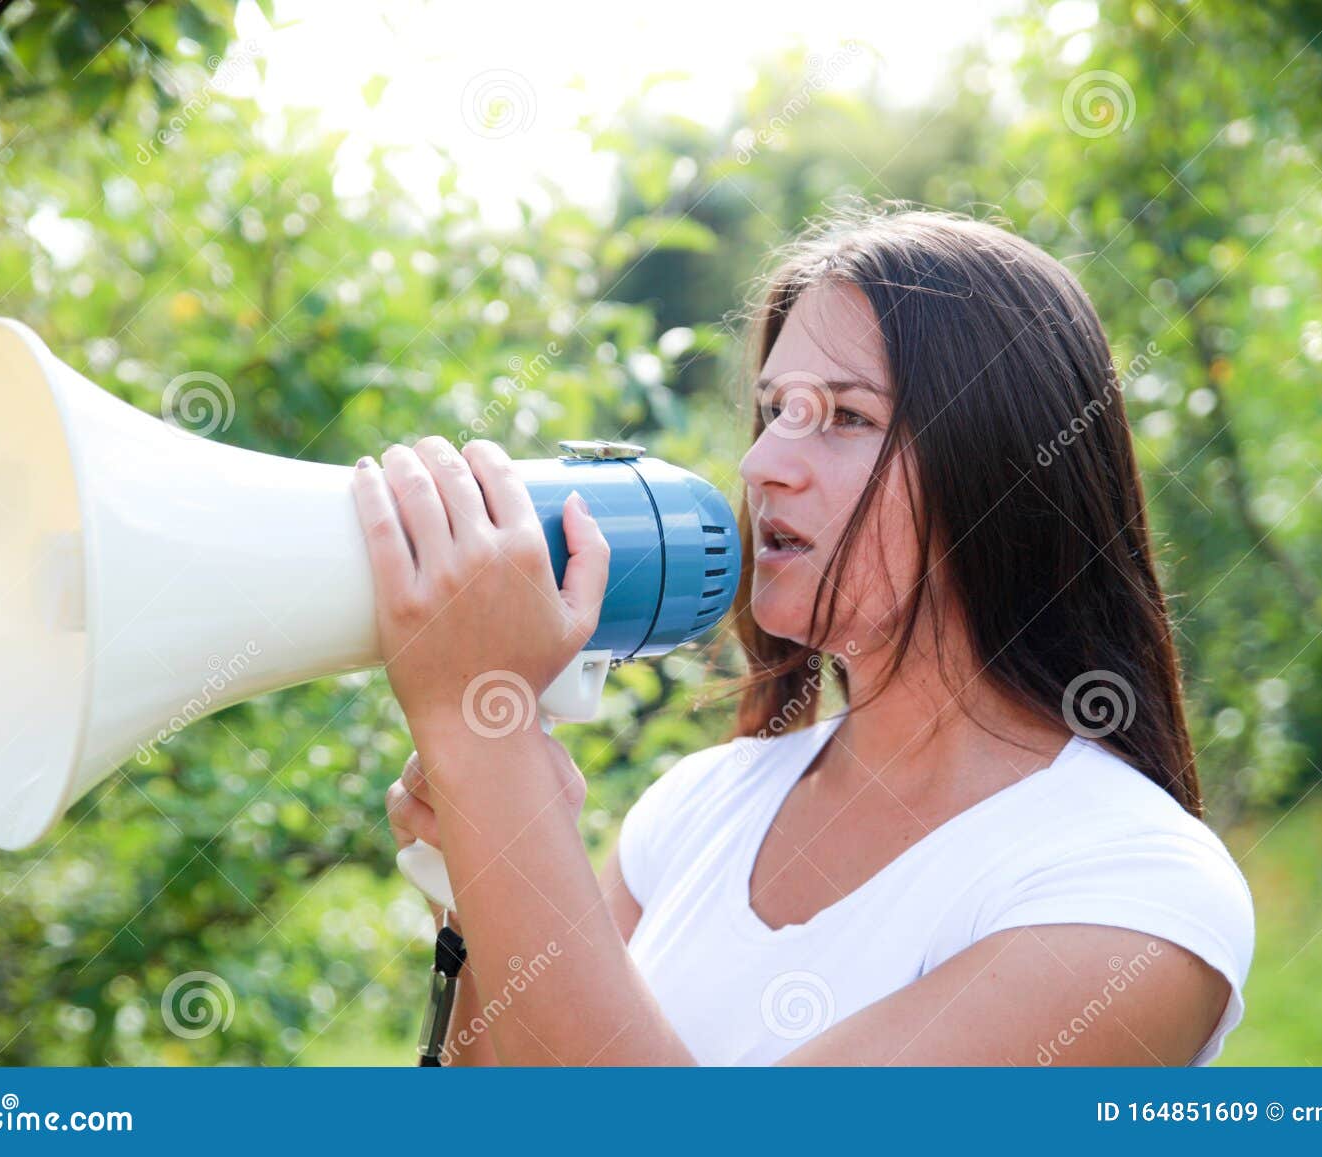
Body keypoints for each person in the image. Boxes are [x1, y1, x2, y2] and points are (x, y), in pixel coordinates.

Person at [352, 206, 1255, 1066]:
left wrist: (490, 746)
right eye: (776, 408)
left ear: (1003, 472)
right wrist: (480, 881)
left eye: (847, 415)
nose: (760, 463)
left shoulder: (1137, 893)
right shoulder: (701, 805)